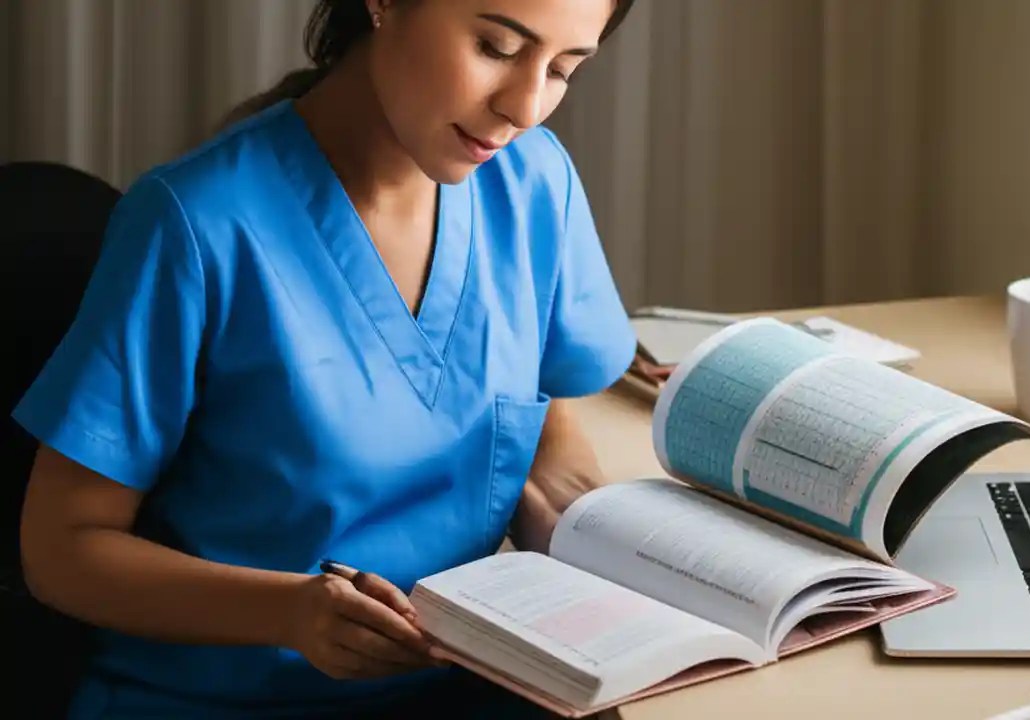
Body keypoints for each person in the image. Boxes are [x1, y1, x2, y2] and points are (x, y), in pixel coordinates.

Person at [13, 0, 637, 717]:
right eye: (496, 47)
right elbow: (61, 550)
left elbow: (551, 455)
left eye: (563, 69)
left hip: (463, 686)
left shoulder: (533, 185)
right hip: (219, 702)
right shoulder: (196, 225)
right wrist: (289, 614)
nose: (526, 107)